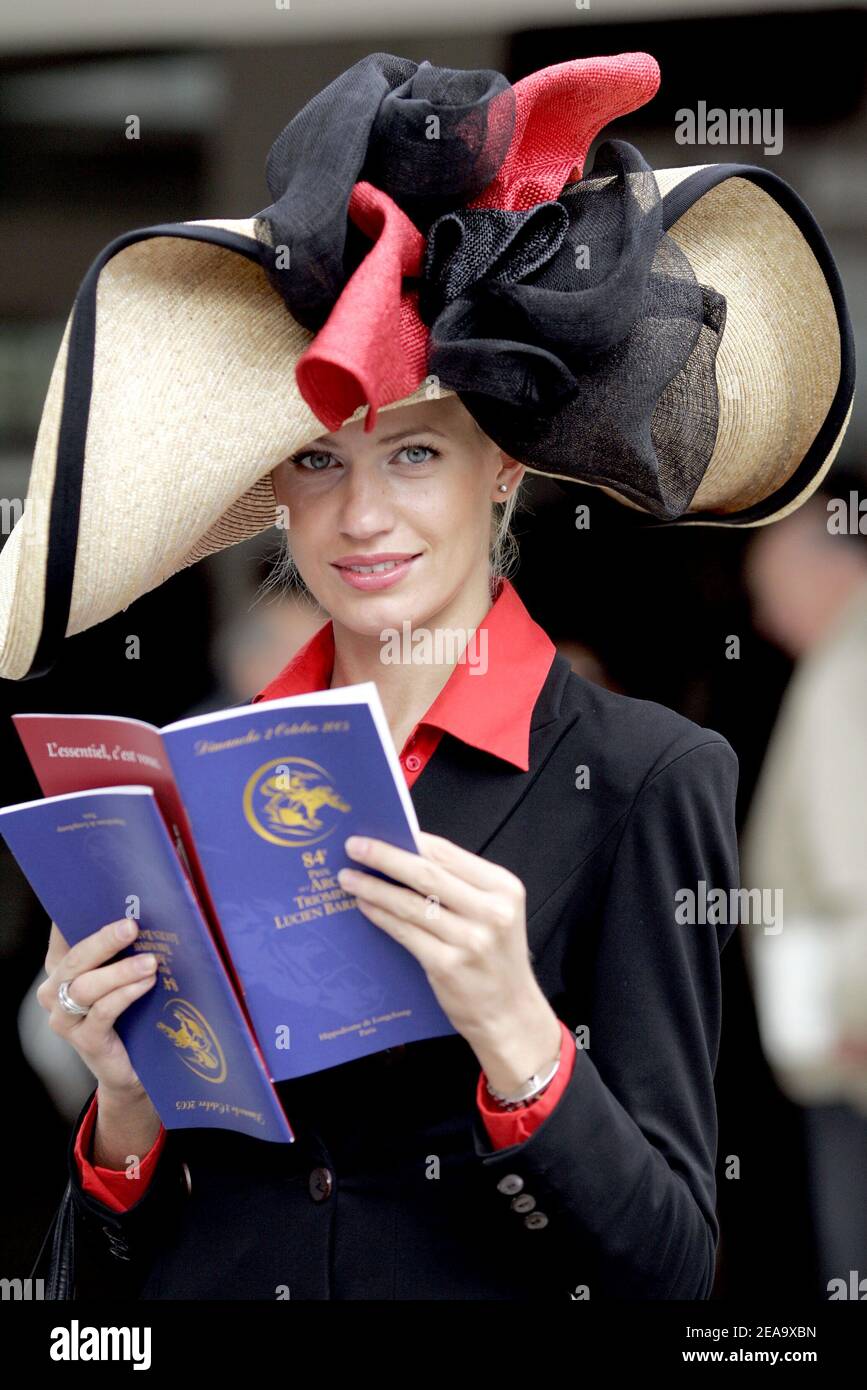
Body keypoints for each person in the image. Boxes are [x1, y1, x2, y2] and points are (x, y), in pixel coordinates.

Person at [1, 52, 854, 1300]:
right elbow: (90, 1303)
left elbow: (676, 1266)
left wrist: (519, 1033)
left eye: (413, 454)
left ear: (502, 467)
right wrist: (123, 1113)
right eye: (317, 463)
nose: (360, 517)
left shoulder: (643, 778)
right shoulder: (188, 778)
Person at [740, 482, 867, 1294]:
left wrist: (857, 1009)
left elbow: (851, 862)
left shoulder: (849, 664)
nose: (761, 618)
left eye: (766, 589)